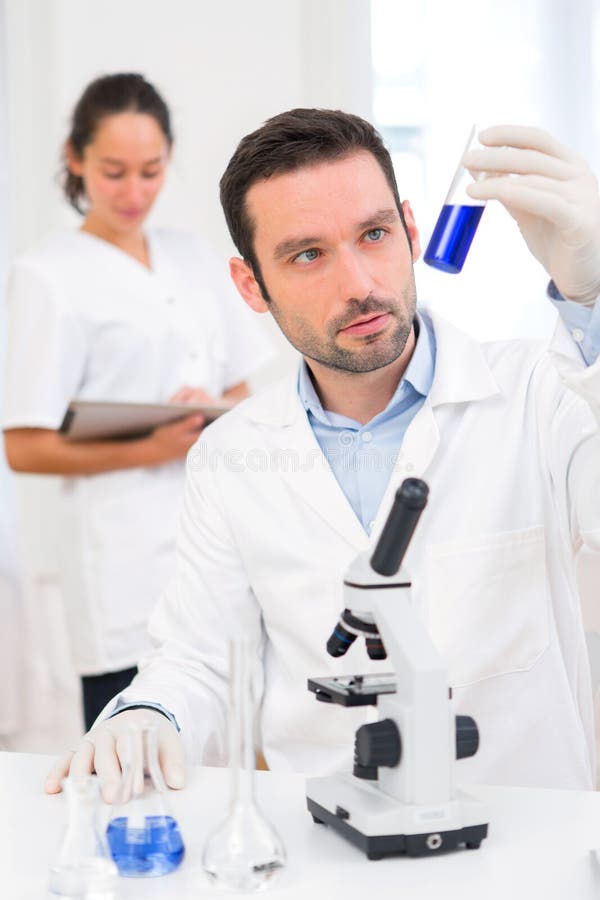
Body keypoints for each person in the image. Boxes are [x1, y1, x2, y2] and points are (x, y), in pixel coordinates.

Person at [46, 109, 600, 800]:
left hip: (528, 842)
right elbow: (197, 658)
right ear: (251, 286)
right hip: (328, 844)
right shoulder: (229, 457)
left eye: (374, 234)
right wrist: (147, 714)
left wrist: (593, 300)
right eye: (307, 254)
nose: (358, 282)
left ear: (410, 229)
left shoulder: (544, 391)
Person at [2, 73, 272, 730]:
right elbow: (23, 446)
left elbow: (242, 390)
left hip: (216, 549)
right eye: (113, 172)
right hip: (119, 570)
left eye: (150, 172)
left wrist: (209, 408)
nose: (133, 192)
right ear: (76, 159)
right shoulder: (47, 276)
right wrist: (155, 444)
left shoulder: (193, 255)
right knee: (134, 759)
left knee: (237, 751)